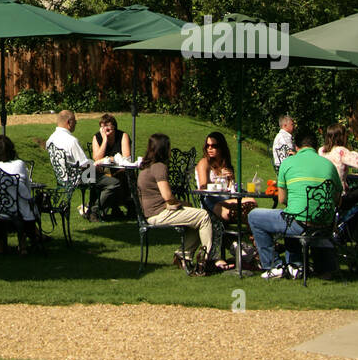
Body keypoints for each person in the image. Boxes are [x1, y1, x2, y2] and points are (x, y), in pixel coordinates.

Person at [248, 131, 342, 280]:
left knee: (254, 216)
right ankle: (296, 263)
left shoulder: (288, 163)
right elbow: (336, 198)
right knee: (290, 213)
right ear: (315, 146)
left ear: (296, 147)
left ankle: (274, 266)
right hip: (324, 223)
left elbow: (282, 199)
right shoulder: (329, 165)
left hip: (300, 223)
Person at [136, 132, 215, 270]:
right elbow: (167, 197)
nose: (170, 151)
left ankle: (182, 255)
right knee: (203, 216)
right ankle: (207, 260)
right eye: (169, 147)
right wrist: (183, 204)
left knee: (196, 218)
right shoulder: (159, 167)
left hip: (150, 213)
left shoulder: (146, 167)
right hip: (159, 214)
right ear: (164, 149)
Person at [0, 133, 39, 253]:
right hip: (17, 212)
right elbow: (27, 190)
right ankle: (24, 244)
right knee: (30, 205)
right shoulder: (18, 165)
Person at [195, 131, 256, 223]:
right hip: (212, 203)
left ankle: (253, 233)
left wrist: (231, 179)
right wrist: (219, 180)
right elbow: (203, 187)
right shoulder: (204, 163)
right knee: (241, 215)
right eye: (208, 146)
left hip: (226, 200)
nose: (210, 148)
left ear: (221, 147)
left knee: (252, 202)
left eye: (214, 146)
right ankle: (253, 233)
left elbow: (231, 189)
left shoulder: (225, 164)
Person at [90, 113, 133, 218]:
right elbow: (96, 158)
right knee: (112, 179)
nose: (105, 130)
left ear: (114, 127)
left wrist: (109, 159)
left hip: (119, 169)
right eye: (103, 128)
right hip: (102, 171)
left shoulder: (123, 136)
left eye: (108, 128)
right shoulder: (97, 137)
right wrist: (104, 140)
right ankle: (110, 207)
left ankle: (121, 206)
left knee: (123, 176)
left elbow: (126, 157)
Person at [318, 124, 358, 194]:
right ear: (342, 137)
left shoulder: (321, 150)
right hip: (339, 194)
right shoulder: (341, 151)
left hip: (324, 192)